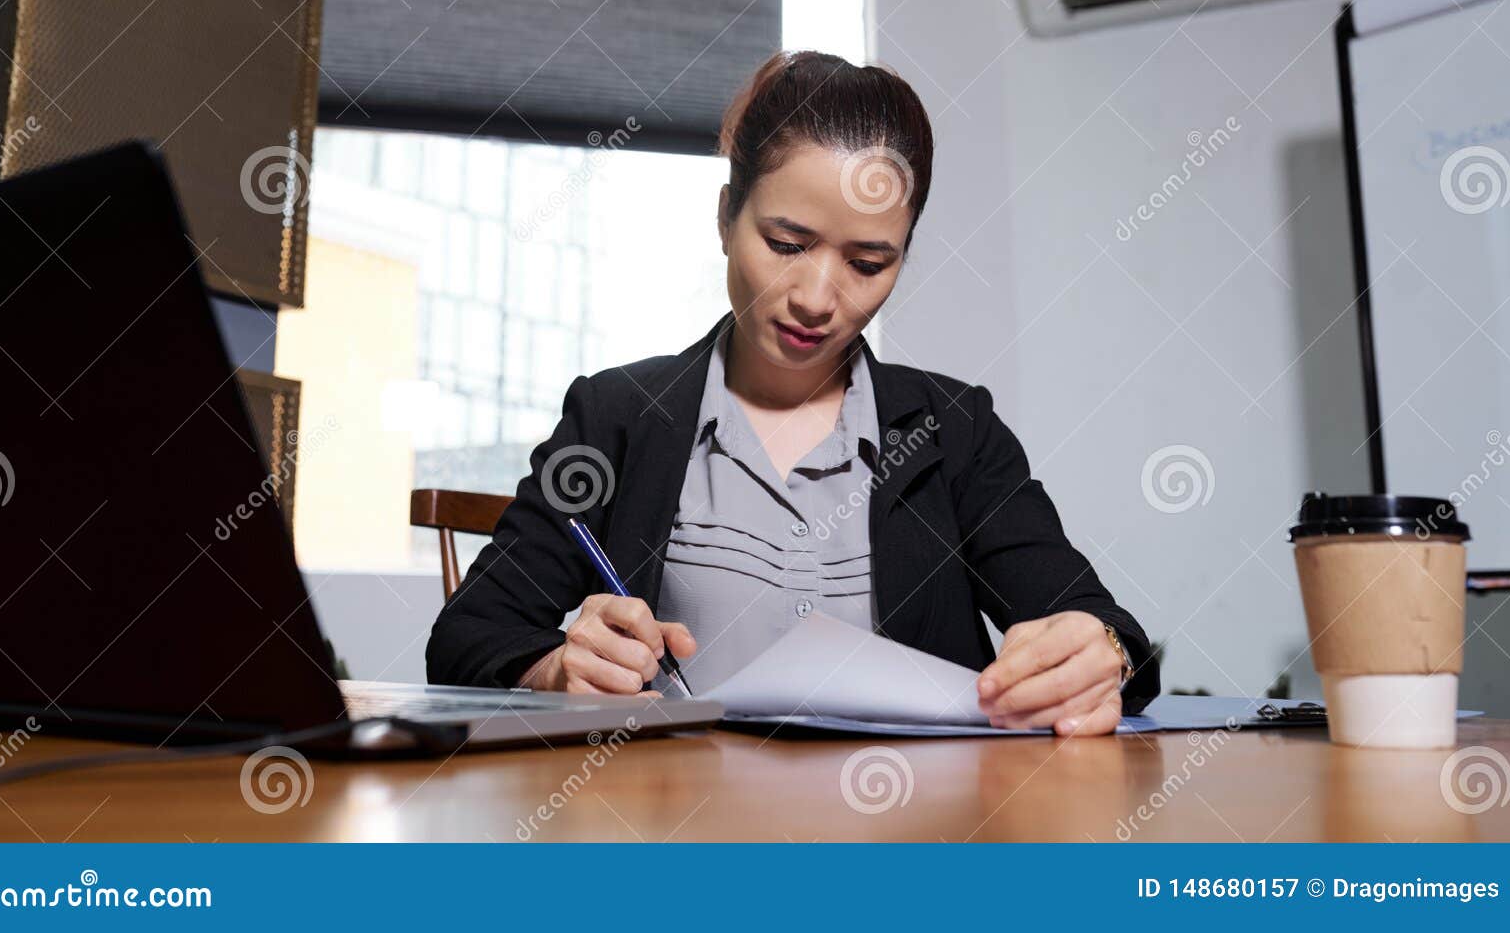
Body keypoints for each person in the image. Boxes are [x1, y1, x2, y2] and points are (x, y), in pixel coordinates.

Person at [427, 50, 1159, 735]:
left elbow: (1104, 628)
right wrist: (556, 668)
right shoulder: (616, 417)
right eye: (786, 245)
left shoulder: (954, 430)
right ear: (725, 218)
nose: (816, 297)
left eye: (868, 262)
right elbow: (467, 639)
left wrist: (1103, 657)